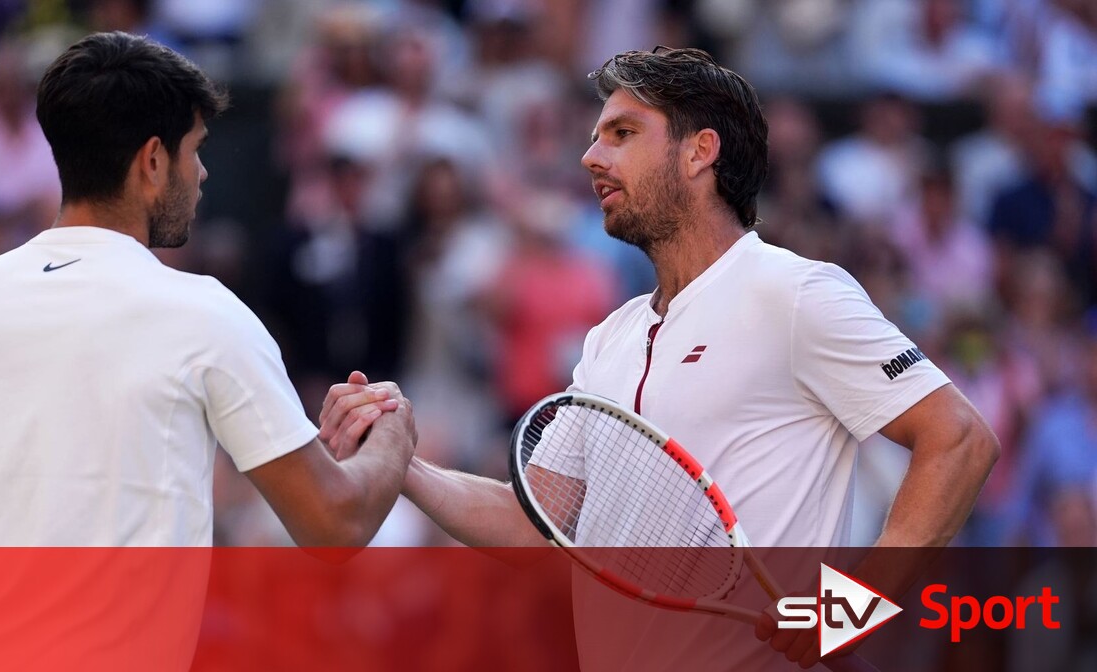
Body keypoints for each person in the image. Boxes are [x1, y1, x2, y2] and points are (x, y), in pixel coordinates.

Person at [322, 47, 999, 670]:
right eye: (595, 135)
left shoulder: (794, 293)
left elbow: (959, 439)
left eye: (622, 133)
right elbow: (539, 529)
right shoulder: (610, 337)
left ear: (701, 152)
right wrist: (400, 462)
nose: (591, 156)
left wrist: (851, 610)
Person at [0, 31, 416, 668]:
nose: (203, 173)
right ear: (153, 161)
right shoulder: (205, 315)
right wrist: (394, 434)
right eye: (195, 151)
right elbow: (334, 525)